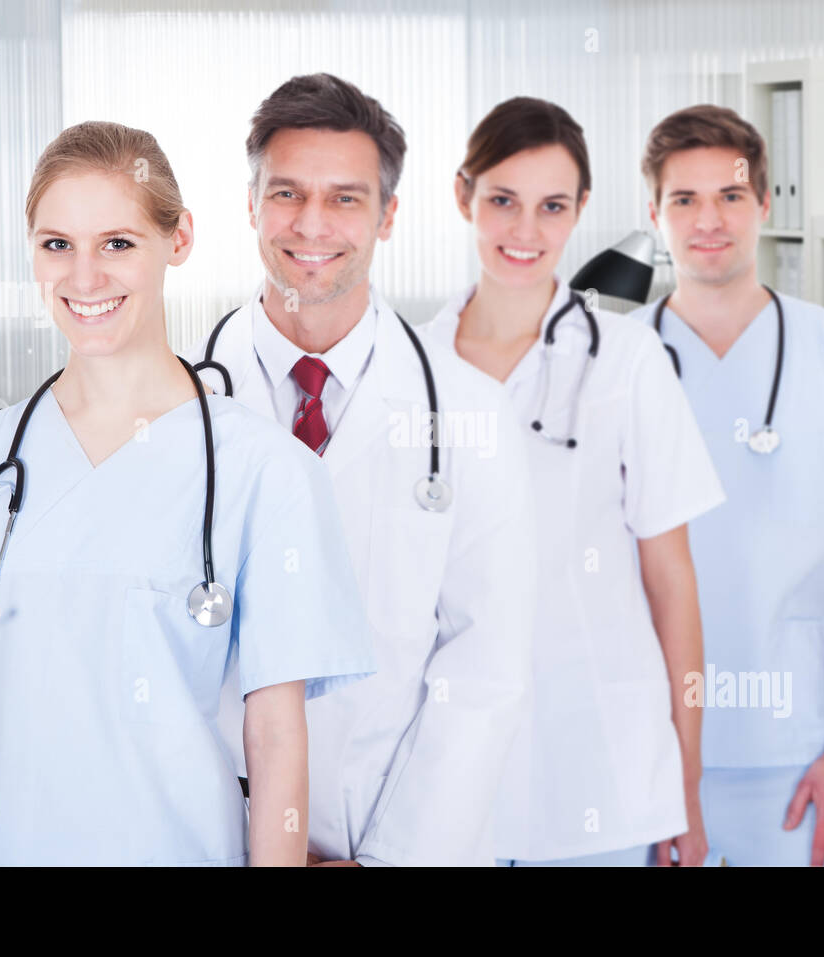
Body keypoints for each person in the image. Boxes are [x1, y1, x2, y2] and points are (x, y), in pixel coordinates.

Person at [0, 120, 374, 866]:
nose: (85, 277)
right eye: (57, 245)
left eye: (117, 243)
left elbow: (274, 739)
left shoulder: (266, 473)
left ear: (179, 239)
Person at [188, 74, 536, 866]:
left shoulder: (471, 416)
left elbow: (485, 671)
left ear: (387, 215)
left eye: (345, 198)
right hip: (208, 837)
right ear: (250, 205)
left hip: (403, 842)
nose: (312, 224)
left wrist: (388, 859)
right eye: (287, 193)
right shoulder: (179, 409)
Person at [630, 105, 824, 866]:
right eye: (685, 200)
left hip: (810, 759)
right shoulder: (615, 361)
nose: (710, 220)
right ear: (654, 215)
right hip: (646, 758)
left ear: (765, 205)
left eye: (731, 196)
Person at [421, 97, 724, 867]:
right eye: (502, 202)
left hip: (602, 772)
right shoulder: (410, 367)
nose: (526, 232)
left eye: (552, 206)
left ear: (581, 209)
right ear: (464, 197)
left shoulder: (627, 361)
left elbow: (673, 580)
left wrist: (684, 783)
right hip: (443, 782)